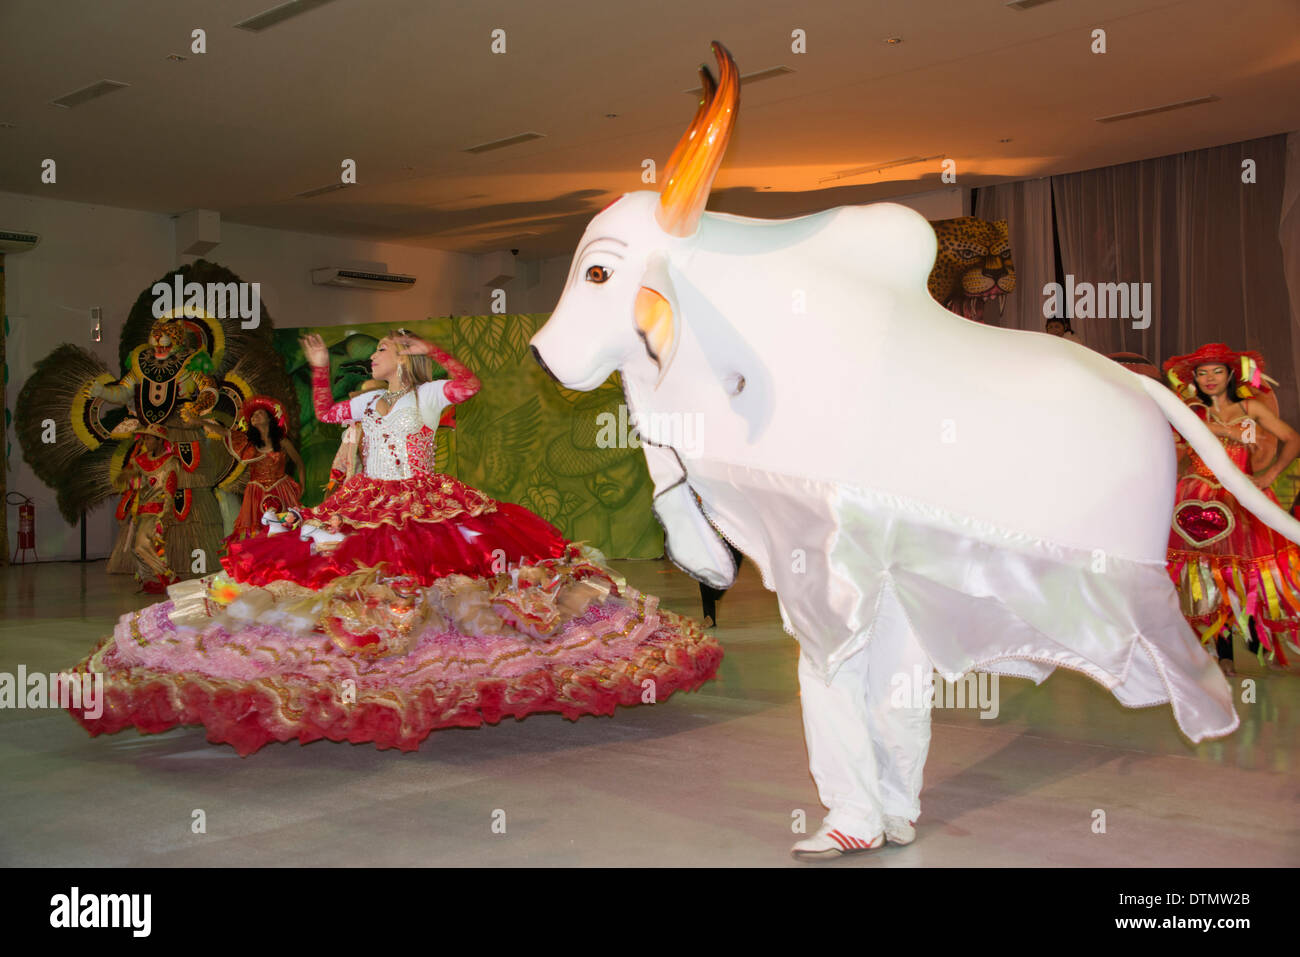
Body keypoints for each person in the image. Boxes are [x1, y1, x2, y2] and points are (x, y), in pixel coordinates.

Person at [66, 328, 721, 754]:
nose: (371, 359)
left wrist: (430, 347)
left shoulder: (429, 395)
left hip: (426, 504)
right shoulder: (369, 403)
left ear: (400, 357)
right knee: (302, 584)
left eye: (379, 351)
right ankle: (225, 644)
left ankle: (433, 681)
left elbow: (469, 383)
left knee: (445, 589)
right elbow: (325, 414)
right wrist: (320, 369)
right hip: (364, 503)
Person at [1164, 343, 1300, 672]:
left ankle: (1257, 646)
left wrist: (1270, 474)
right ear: (1194, 378)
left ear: (1230, 375)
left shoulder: (1252, 407)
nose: (1210, 378)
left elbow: (1292, 438)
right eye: (1202, 372)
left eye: (1217, 371)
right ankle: (1221, 654)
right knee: (1204, 574)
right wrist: (1221, 430)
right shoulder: (1189, 410)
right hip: (1192, 501)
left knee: (1248, 572)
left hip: (1239, 498)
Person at [205, 396, 304, 539]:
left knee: (287, 531)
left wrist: (302, 486)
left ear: (269, 418)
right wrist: (201, 421)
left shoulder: (282, 442)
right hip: (256, 493)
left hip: (281, 490)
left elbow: (299, 464)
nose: (254, 416)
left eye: (259, 413)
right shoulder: (249, 443)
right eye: (252, 415)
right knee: (259, 534)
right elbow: (225, 432)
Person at [107, 424, 183, 594]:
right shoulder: (140, 460)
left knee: (142, 545)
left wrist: (164, 515)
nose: (146, 441)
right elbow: (128, 481)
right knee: (137, 549)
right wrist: (124, 477)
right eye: (145, 438)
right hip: (141, 512)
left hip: (157, 512)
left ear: (159, 441)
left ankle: (169, 578)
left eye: (149, 438)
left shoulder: (170, 462)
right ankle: (151, 581)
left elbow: (170, 490)